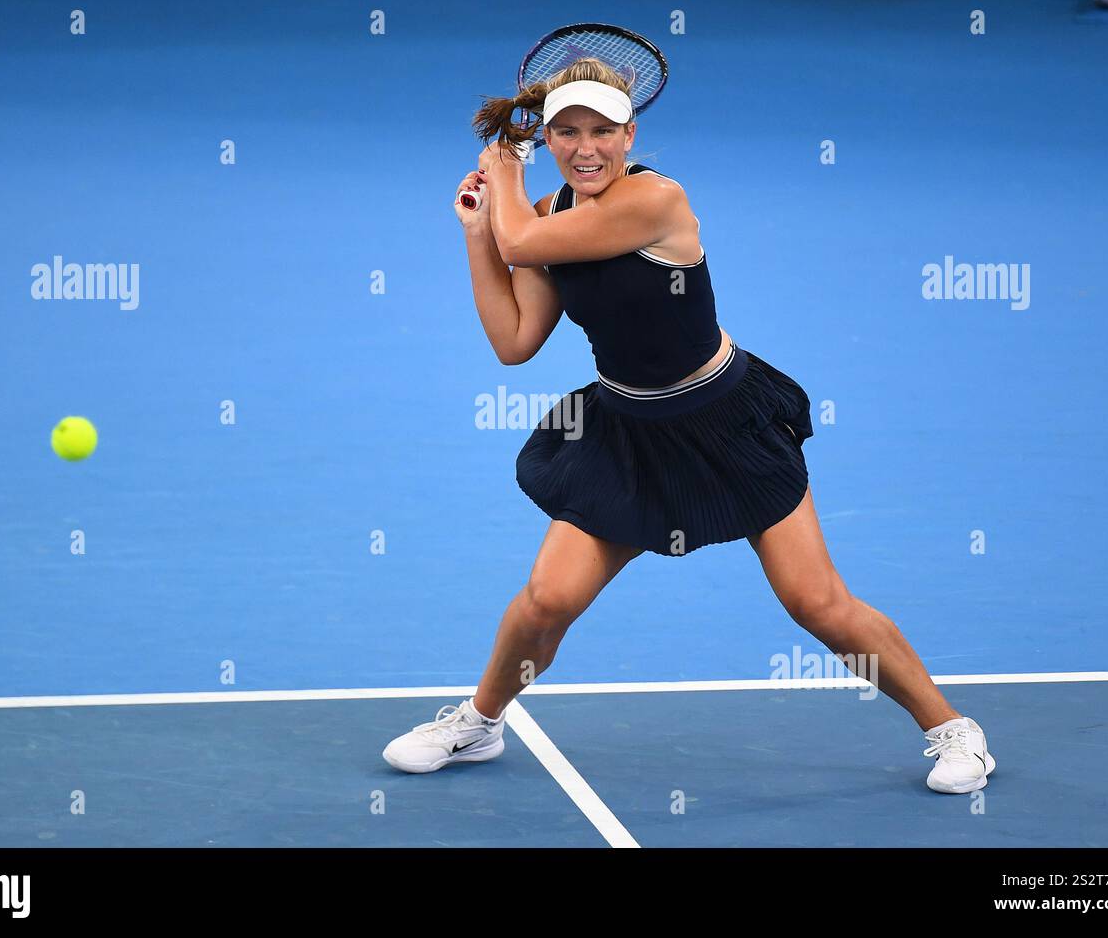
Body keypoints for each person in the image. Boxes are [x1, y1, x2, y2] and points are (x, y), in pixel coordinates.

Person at [383, 58, 996, 795]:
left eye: (602, 131)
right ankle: (478, 723)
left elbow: (521, 242)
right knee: (546, 601)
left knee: (817, 603)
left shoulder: (657, 200)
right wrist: (479, 232)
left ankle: (953, 729)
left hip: (724, 424)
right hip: (624, 435)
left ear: (630, 133)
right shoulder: (542, 220)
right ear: (548, 139)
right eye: (567, 132)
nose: (585, 148)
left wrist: (501, 169)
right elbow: (514, 340)